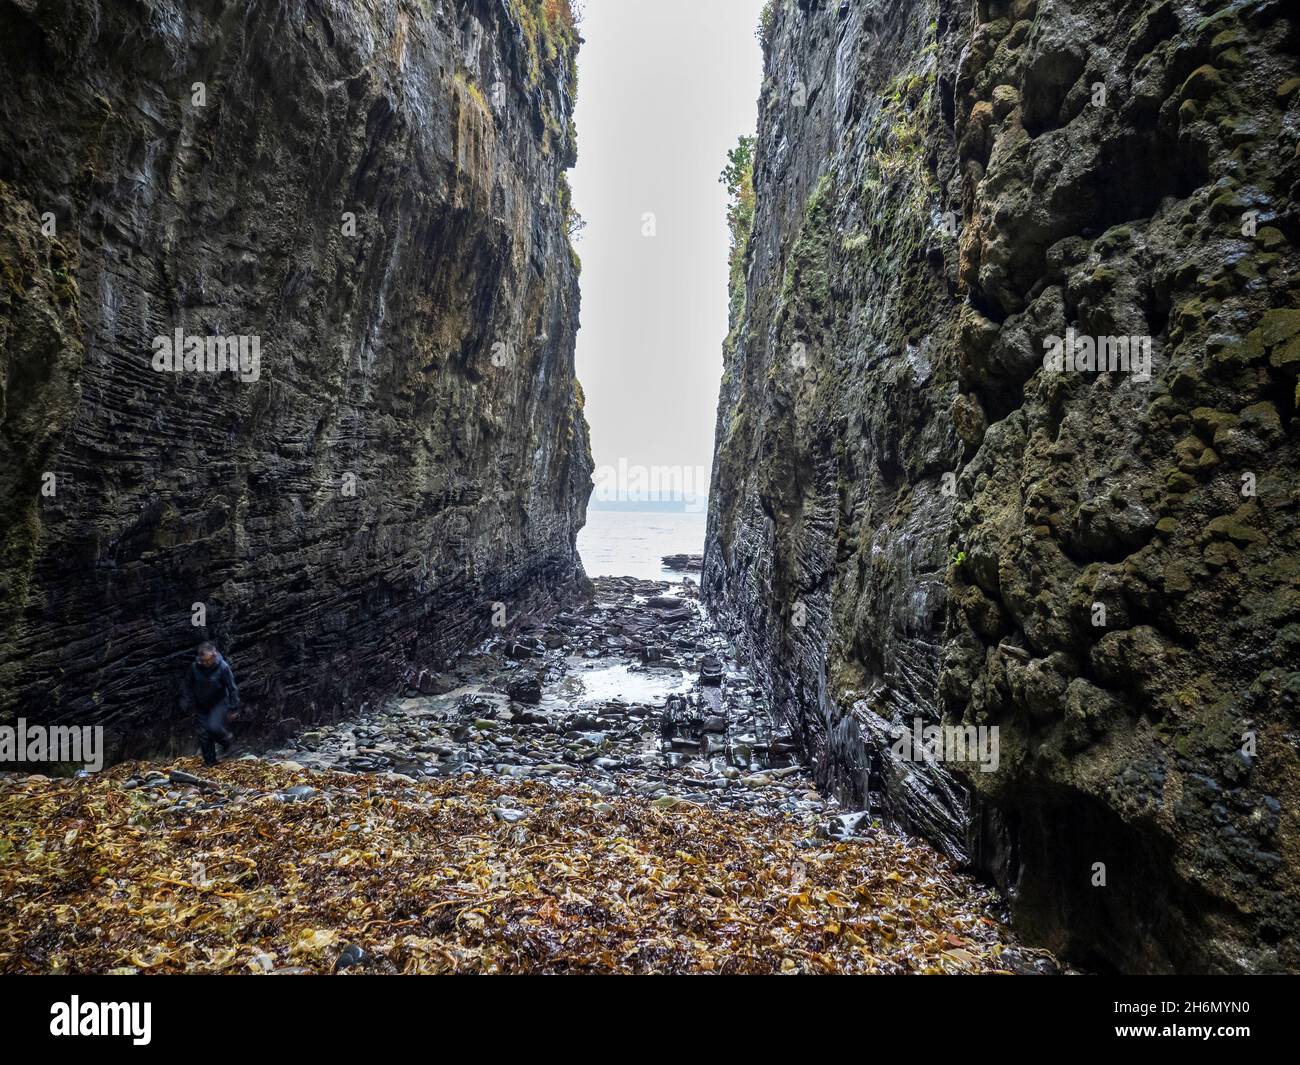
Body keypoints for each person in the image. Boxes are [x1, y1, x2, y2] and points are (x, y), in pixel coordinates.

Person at [180, 641, 240, 766]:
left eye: (209, 660)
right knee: (203, 733)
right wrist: (185, 701)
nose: (207, 663)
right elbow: (187, 685)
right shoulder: (194, 668)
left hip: (219, 702)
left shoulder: (223, 667)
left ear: (214, 655)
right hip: (201, 704)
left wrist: (234, 708)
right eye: (204, 661)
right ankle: (210, 762)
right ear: (200, 659)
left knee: (214, 727)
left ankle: (227, 740)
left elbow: (232, 687)